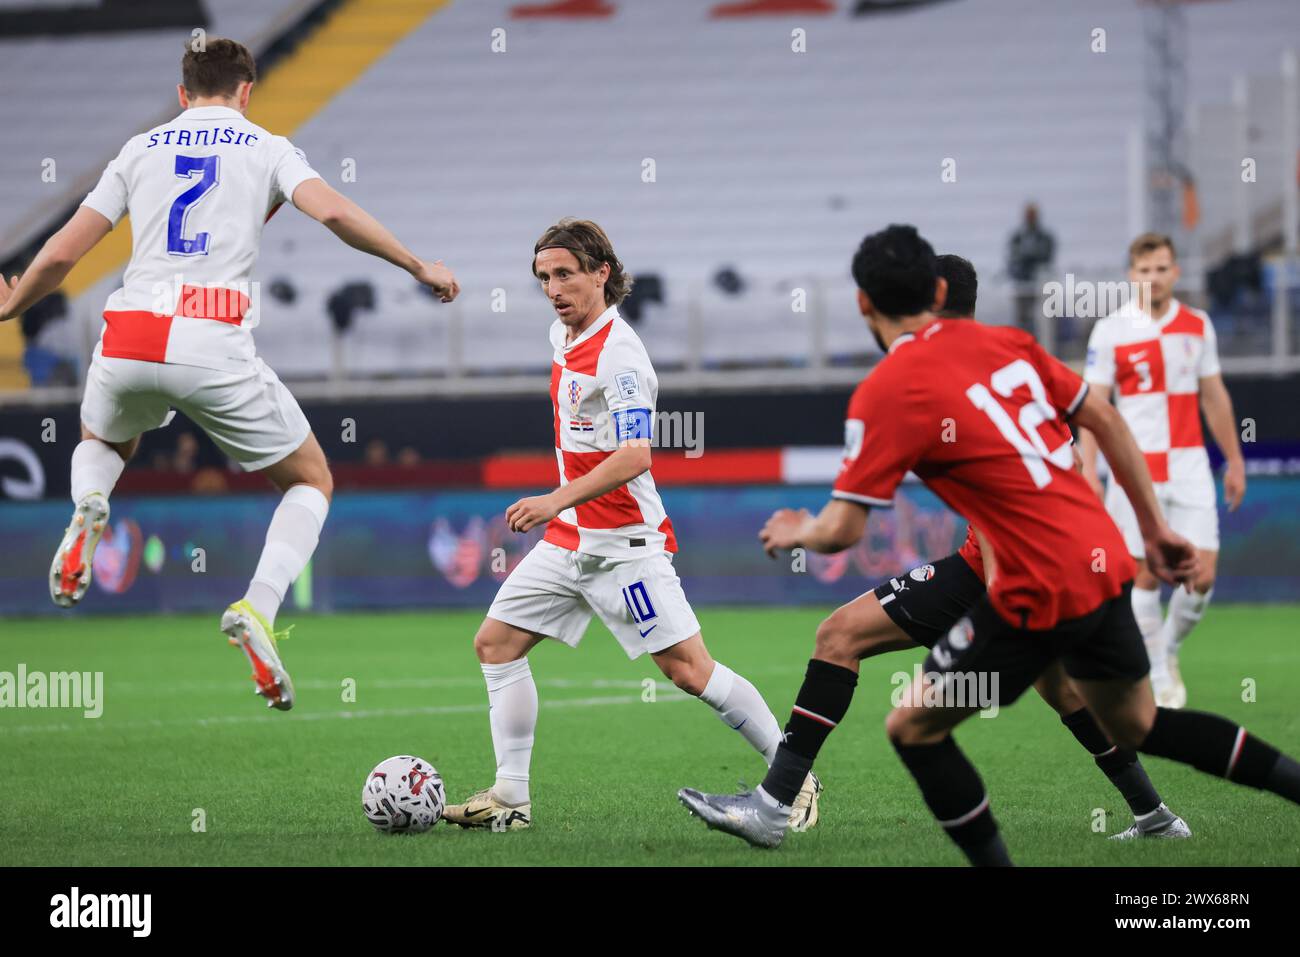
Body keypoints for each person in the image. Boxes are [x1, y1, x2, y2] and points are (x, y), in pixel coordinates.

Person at [678, 224, 1300, 864]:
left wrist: (795, 530)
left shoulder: (892, 387)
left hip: (1019, 572)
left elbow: (842, 530)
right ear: (940, 289)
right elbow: (1106, 419)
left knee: (890, 699)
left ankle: (774, 806)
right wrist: (1156, 530)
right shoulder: (1011, 344)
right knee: (1126, 716)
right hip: (1097, 554)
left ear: (864, 304)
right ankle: (1157, 813)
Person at [0, 38, 458, 710]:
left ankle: (89, 505)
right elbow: (332, 212)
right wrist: (417, 265)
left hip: (128, 330)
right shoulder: (266, 146)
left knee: (102, 441)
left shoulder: (138, 150)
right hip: (212, 337)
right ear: (247, 91)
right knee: (310, 480)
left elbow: (66, 250)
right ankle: (258, 608)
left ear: (182, 94)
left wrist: (12, 303)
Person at [441, 219, 819, 831]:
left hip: (623, 548)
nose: (553, 288)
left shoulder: (619, 355)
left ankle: (793, 780)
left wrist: (554, 499)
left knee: (689, 671)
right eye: (543, 278)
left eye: (565, 274)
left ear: (602, 273)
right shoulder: (562, 337)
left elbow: (637, 453)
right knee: (495, 644)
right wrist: (563, 511)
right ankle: (510, 799)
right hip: (569, 542)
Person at [1077, 233, 1245, 708]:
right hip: (1134, 470)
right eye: (1145, 270)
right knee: (1145, 576)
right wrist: (1089, 469)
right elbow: (1093, 407)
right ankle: (1157, 672)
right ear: (1132, 275)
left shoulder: (1197, 325)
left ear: (1175, 272)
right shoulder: (1111, 329)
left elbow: (1213, 397)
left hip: (1191, 465)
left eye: (1162, 268)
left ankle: (1166, 651)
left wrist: (1234, 459)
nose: (1153, 277)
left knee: (1203, 575)